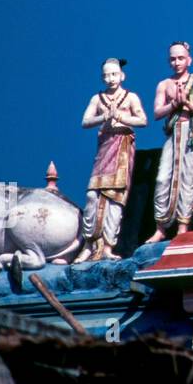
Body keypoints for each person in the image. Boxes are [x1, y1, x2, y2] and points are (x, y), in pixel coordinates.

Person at [75, 59, 147, 262]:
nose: (110, 79)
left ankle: (107, 246)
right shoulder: (97, 99)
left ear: (122, 76)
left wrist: (121, 118)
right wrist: (104, 116)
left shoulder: (130, 97)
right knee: (92, 196)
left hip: (122, 150)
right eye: (106, 75)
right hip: (105, 149)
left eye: (114, 74)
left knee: (115, 200)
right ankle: (89, 244)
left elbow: (142, 120)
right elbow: (85, 121)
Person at [148, 42, 193, 242]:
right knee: (162, 179)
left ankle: (183, 226)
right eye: (173, 59)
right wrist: (175, 103)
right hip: (172, 134)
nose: (177, 62)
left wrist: (187, 104)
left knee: (187, 180)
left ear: (189, 60)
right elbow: (157, 113)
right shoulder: (164, 84)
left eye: (181, 58)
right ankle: (161, 227)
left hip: (191, 135)